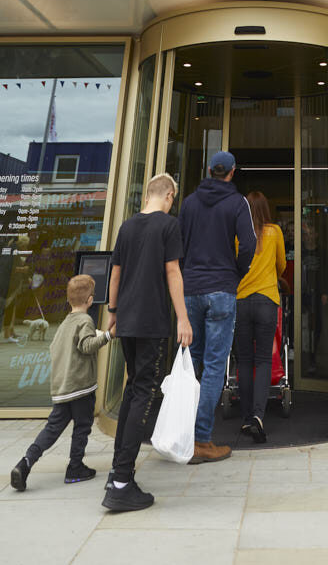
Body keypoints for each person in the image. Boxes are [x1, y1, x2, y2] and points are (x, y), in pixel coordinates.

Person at [103, 172, 191, 512]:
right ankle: (122, 482)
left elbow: (116, 273)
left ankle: (116, 472)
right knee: (144, 393)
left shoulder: (127, 227)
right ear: (168, 195)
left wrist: (112, 312)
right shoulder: (169, 226)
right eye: (173, 197)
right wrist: (183, 318)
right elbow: (173, 272)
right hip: (152, 321)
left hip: (125, 319)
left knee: (132, 388)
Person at [179, 150, 256, 463]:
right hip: (222, 289)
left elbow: (178, 243)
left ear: (209, 170)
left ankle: (182, 435)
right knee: (213, 366)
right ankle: (201, 440)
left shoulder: (188, 202)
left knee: (189, 363)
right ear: (232, 171)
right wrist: (236, 272)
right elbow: (249, 243)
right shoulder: (238, 203)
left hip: (190, 288)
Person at [10, 274, 111, 492]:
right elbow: (86, 345)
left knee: (52, 428)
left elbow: (58, 349)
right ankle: (75, 467)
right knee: (82, 427)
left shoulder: (65, 323)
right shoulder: (85, 320)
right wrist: (107, 336)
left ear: (69, 299)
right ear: (90, 300)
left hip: (62, 388)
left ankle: (26, 462)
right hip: (81, 387)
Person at [235, 191, 286, 443]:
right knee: (264, 359)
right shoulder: (274, 231)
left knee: (244, 359)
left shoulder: (238, 233)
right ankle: (258, 415)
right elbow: (282, 265)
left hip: (241, 301)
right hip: (267, 300)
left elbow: (233, 263)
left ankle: (246, 417)